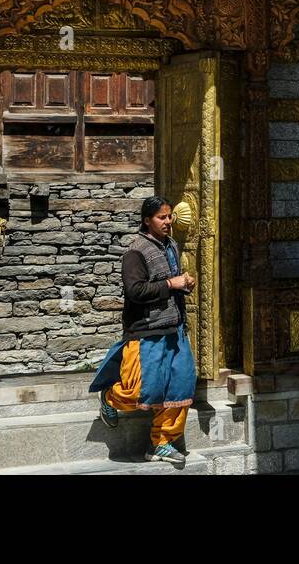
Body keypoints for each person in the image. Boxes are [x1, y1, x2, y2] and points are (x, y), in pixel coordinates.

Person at [88, 196, 197, 467]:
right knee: (140, 391)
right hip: (146, 331)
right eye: (162, 217)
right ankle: (110, 398)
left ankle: (162, 443)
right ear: (147, 220)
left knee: (181, 389)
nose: (168, 222)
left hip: (175, 329)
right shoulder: (135, 252)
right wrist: (171, 284)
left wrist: (183, 284)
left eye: (169, 216)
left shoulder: (171, 245)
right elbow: (135, 291)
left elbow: (169, 282)